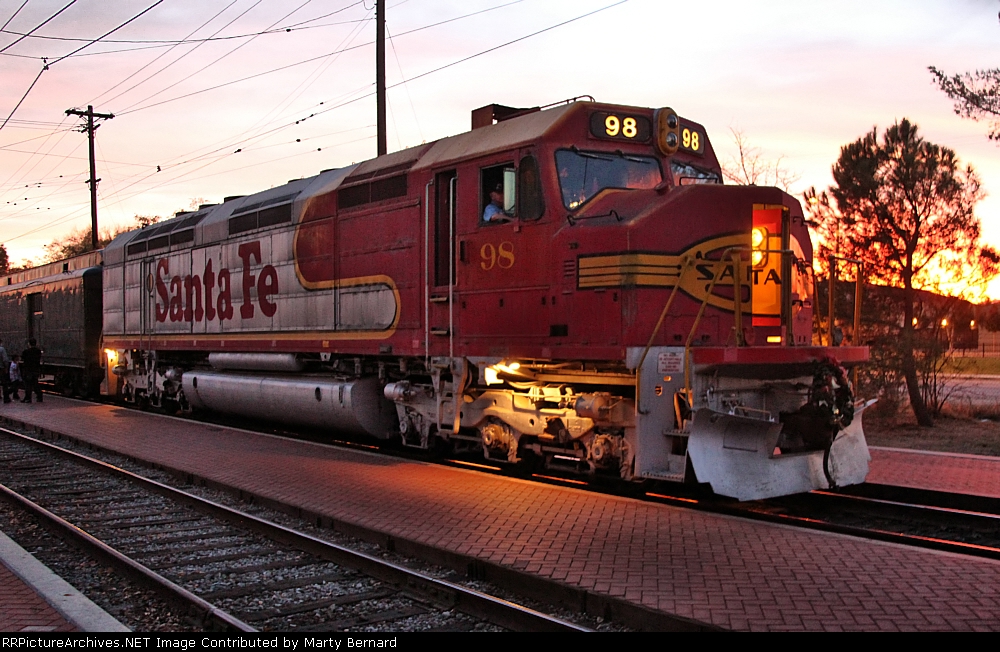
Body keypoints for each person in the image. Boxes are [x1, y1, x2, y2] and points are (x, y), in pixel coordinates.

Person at [20, 338, 42, 404]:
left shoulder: (26, 352)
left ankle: (28, 398)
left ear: (29, 344)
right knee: (35, 383)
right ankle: (39, 396)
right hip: (35, 369)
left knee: (28, 384)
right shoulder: (38, 351)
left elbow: (22, 358)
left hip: (28, 370)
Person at [0, 338, 10, 404]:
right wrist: (6, 367)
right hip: (1, 368)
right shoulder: (2, 349)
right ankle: (6, 398)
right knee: (4, 383)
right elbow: (5, 359)